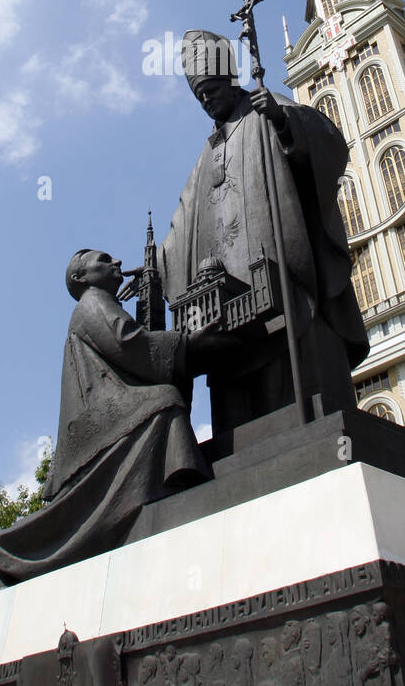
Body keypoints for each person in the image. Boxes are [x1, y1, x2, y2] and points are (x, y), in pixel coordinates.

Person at [158, 29, 369, 442]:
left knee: (297, 374)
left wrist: (282, 120)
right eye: (199, 97)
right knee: (236, 402)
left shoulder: (263, 110)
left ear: (231, 79)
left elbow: (330, 141)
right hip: (228, 302)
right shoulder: (206, 154)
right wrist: (154, 267)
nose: (207, 102)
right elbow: (181, 223)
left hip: (284, 286)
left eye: (212, 90)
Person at [0, 248, 229, 587]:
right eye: (104, 260)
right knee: (165, 400)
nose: (117, 264)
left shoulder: (101, 303)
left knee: (161, 399)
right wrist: (188, 344)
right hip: (100, 417)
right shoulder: (92, 303)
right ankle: (4, 551)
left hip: (109, 406)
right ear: (81, 278)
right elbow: (129, 345)